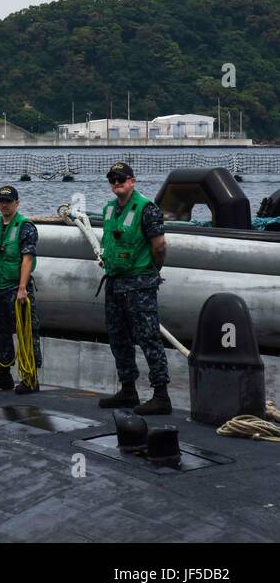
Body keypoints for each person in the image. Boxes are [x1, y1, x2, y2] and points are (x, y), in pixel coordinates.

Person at [98, 162, 171, 415]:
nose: (116, 183)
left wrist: (152, 271)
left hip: (139, 284)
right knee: (118, 337)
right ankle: (128, 389)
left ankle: (161, 395)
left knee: (148, 337)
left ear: (132, 181)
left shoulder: (146, 209)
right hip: (115, 283)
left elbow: (159, 246)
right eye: (112, 179)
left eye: (121, 179)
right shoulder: (109, 210)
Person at [0, 185, 42, 394]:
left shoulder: (26, 227)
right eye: (1, 201)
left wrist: (22, 288)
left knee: (26, 333)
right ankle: (3, 374)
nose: (4, 205)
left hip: (16, 288)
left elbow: (27, 259)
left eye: (9, 201)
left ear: (17, 203)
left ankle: (30, 378)